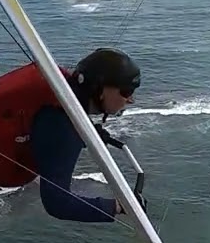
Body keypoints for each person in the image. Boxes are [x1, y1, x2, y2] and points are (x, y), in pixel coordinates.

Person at [29, 47, 143, 222]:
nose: (130, 99)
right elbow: (57, 203)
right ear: (100, 89)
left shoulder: (65, 96)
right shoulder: (62, 124)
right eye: (126, 91)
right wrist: (117, 207)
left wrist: (90, 132)